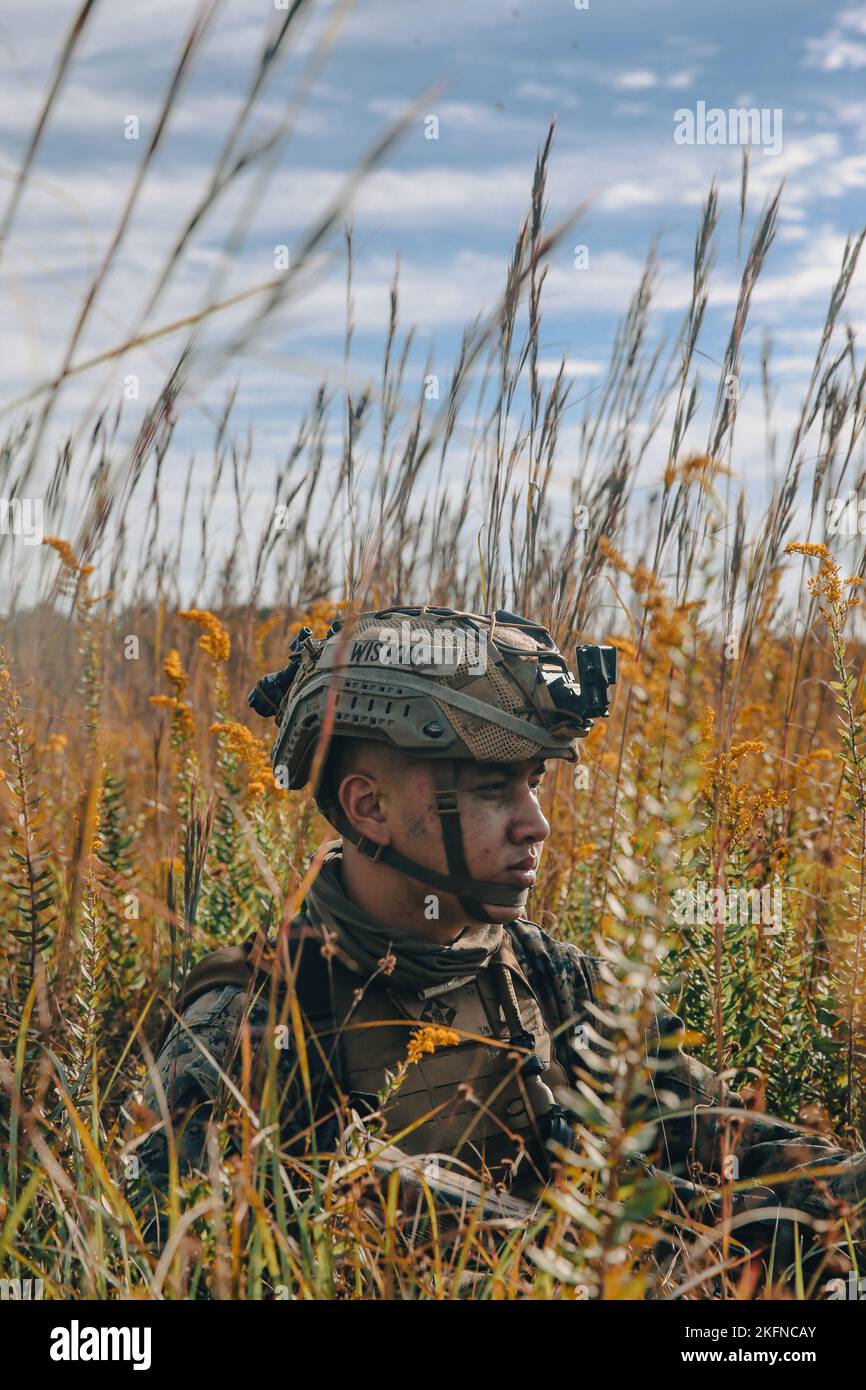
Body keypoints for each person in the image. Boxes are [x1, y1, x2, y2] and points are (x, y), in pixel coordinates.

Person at [129, 606, 866, 1278]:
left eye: (533, 782)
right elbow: (183, 1272)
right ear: (370, 806)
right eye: (493, 789)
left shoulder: (549, 978)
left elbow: (726, 1140)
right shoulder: (247, 1033)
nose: (536, 823)